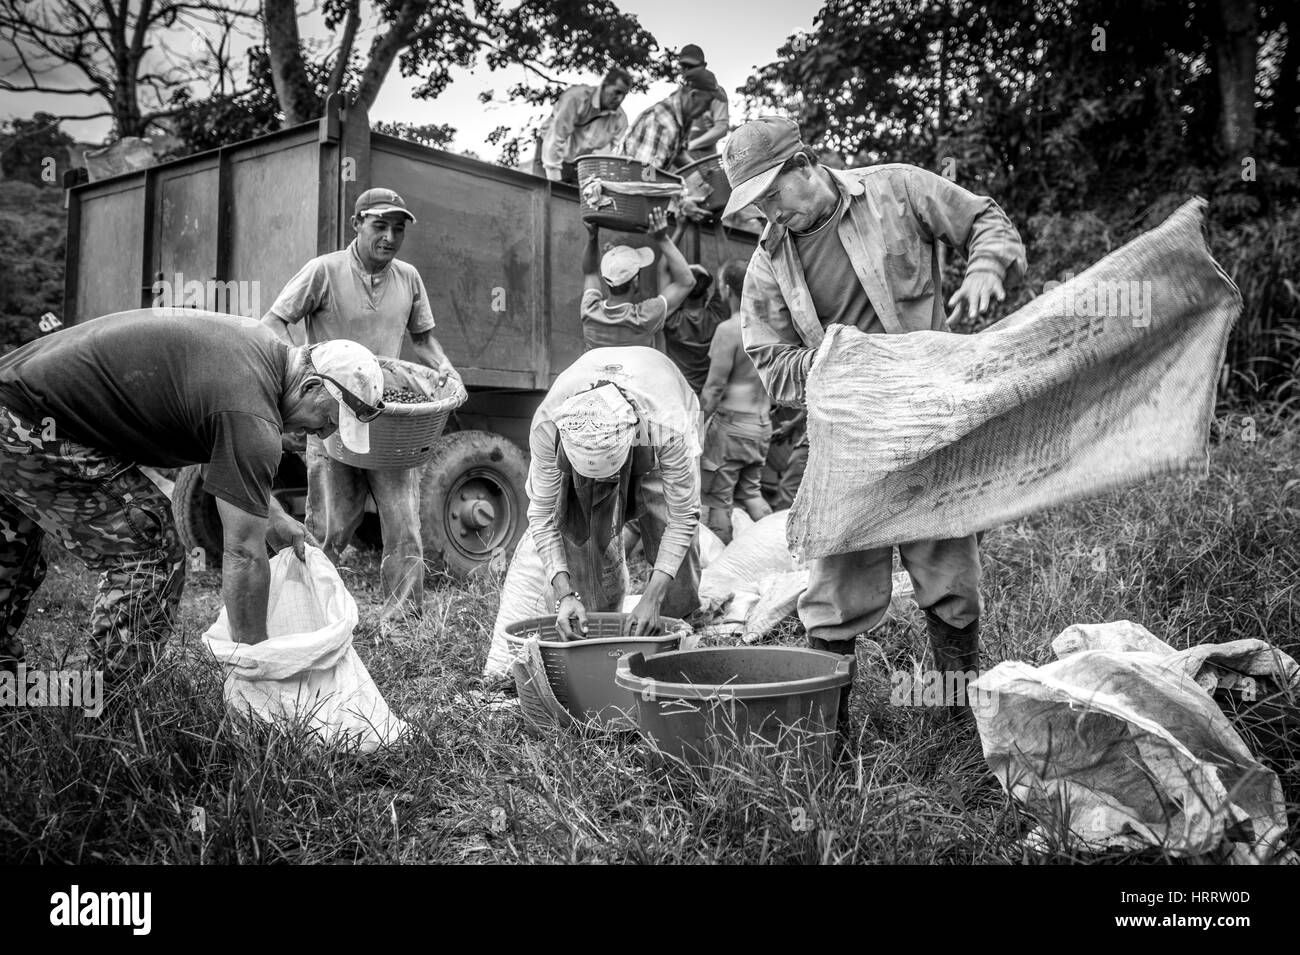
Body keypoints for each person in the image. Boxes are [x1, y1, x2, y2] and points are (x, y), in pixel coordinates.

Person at [723, 116, 1027, 722]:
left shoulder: (898, 190)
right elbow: (771, 366)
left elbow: (984, 218)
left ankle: (953, 720)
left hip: (926, 424)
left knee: (950, 580)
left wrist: (987, 267)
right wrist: (845, 366)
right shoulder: (766, 265)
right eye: (754, 207)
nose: (767, 216)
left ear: (803, 165)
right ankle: (823, 735)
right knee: (835, 593)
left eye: (771, 196)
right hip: (847, 440)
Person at [0, 308, 383, 675]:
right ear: (311, 385)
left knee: (12, 555)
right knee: (149, 548)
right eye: (329, 420)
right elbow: (244, 554)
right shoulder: (252, 412)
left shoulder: (260, 355)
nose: (323, 434)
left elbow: (215, 446)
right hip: (28, 423)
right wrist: (257, 662)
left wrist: (276, 518)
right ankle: (110, 712)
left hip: (13, 404)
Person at [263, 186, 454, 637]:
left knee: (403, 524)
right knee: (329, 526)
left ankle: (403, 620)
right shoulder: (323, 271)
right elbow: (274, 322)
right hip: (328, 418)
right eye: (380, 226)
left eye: (398, 229)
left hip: (388, 422)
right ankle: (308, 614)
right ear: (357, 224)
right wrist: (299, 375)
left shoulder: (408, 277)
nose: (389, 237)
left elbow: (423, 339)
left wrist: (446, 371)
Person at [526, 346, 702, 639]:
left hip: (656, 426)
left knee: (664, 525)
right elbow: (542, 516)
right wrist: (564, 593)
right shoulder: (548, 427)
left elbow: (683, 517)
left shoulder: (668, 425)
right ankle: (593, 623)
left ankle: (677, 623)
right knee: (580, 530)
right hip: (593, 428)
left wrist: (652, 598)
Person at [697, 258, 775, 544]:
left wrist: (697, 427)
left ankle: (723, 568)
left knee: (718, 501)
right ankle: (784, 554)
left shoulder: (729, 330)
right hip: (761, 424)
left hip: (730, 427)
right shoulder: (769, 329)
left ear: (726, 289)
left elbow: (714, 388)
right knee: (752, 495)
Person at [580, 207, 696, 351]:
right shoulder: (645, 317)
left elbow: (590, 272)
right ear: (635, 281)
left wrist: (592, 237)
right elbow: (686, 282)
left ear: (607, 280)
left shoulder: (590, 311)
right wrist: (662, 238)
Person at [618, 66, 727, 173]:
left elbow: (678, 153)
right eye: (707, 102)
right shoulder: (659, 122)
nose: (707, 109)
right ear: (693, 95)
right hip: (630, 183)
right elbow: (646, 175)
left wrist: (702, 172)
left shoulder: (683, 118)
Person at [535, 68, 632, 183]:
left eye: (624, 95)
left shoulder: (620, 119)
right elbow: (556, 138)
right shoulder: (576, 99)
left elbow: (611, 155)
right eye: (617, 92)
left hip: (580, 165)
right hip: (549, 155)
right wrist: (554, 181)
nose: (619, 99)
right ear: (605, 85)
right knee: (544, 194)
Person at [676, 45, 729, 160]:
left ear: (703, 66)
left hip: (703, 159)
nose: (687, 70)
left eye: (692, 66)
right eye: (684, 66)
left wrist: (692, 145)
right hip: (679, 157)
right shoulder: (677, 95)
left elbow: (722, 127)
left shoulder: (714, 92)